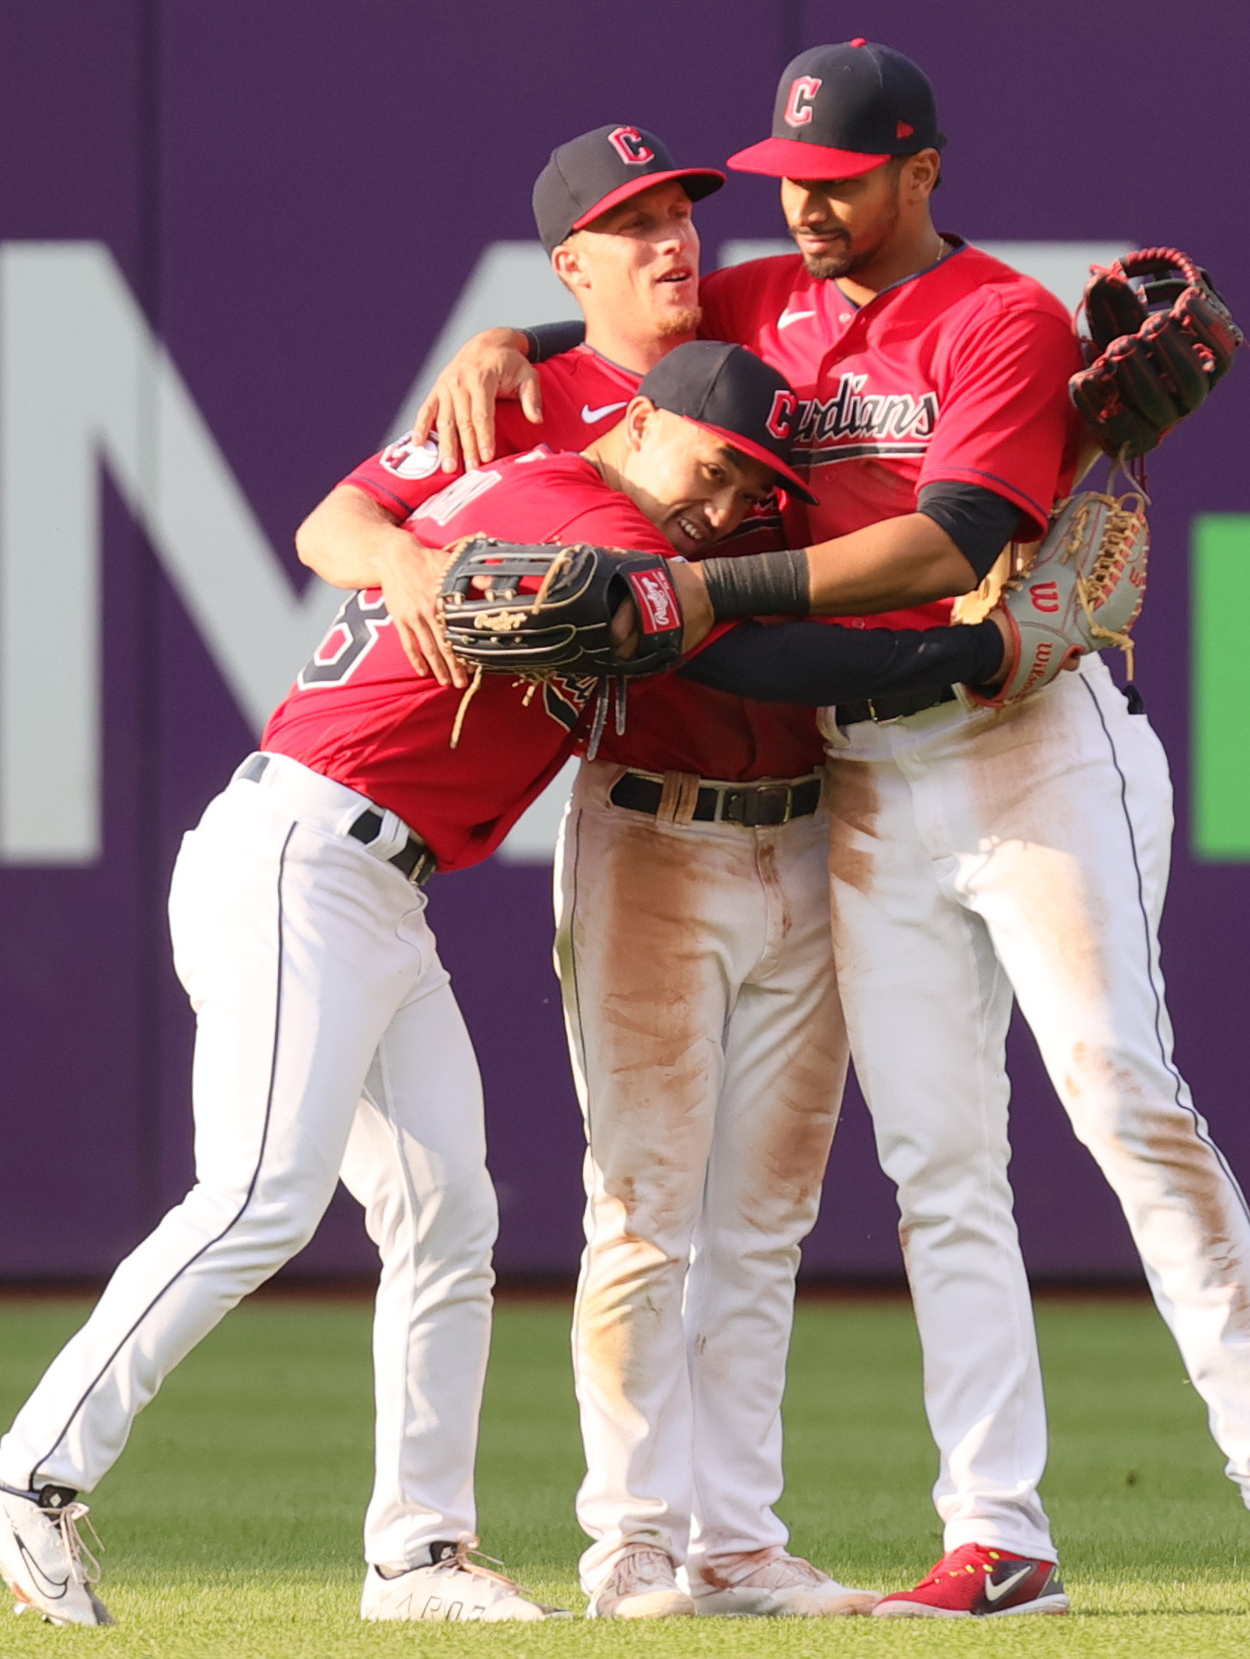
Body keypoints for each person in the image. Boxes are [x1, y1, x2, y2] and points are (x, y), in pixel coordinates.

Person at [409, 41, 1250, 1624]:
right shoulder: (753, 304)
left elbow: (954, 537)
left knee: (1120, 1095)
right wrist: (506, 342)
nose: (806, 209)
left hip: (1023, 740)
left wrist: (707, 592)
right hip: (862, 772)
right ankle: (999, 1535)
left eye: (841, 183)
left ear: (921, 171)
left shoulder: (998, 316)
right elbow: (615, 338)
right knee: (937, 1162)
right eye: (789, 182)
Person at [0, 338, 1015, 1628]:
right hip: (302, 859)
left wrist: (523, 341)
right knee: (259, 1196)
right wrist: (975, 654)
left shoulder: (558, 492)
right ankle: (27, 1478)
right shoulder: (582, 513)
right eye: (720, 468)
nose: (729, 507)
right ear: (640, 421)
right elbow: (748, 659)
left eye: (753, 492)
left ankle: (416, 1557)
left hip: (378, 887)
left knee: (447, 1218)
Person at [300, 124, 910, 1621]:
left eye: (681, 214)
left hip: (805, 816)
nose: (673, 242)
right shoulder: (526, 403)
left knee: (765, 1218)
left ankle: (736, 1545)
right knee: (642, 1207)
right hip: (646, 820)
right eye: (635, 226)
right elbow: (337, 519)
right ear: (573, 257)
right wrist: (412, 556)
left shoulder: (751, 346)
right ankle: (632, 1541)